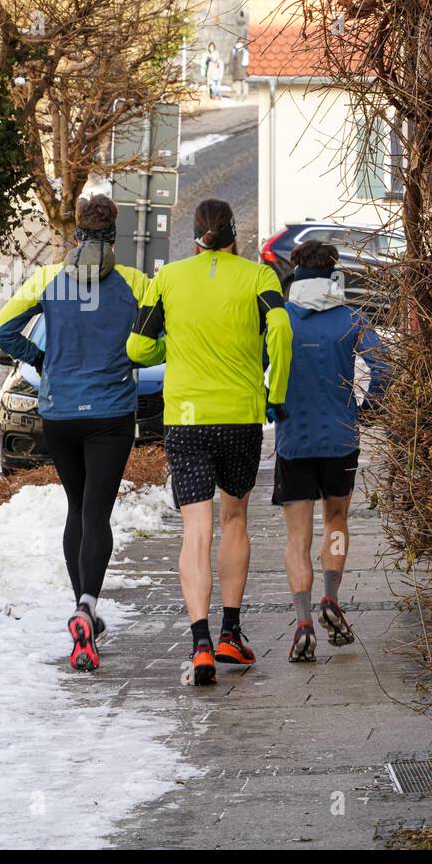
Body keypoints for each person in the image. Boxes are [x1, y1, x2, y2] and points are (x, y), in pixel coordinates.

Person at [127, 199, 291, 686]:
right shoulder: (259, 278)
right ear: (234, 234)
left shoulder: (168, 279)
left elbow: (137, 346)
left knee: (195, 530)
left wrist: (170, 345)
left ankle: (198, 644)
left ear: (194, 236)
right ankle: (230, 635)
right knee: (235, 518)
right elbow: (280, 327)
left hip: (186, 420)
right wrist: (275, 391)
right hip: (240, 417)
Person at [0, 195, 150, 672]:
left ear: (76, 231)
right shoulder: (136, 282)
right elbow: (157, 336)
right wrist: (135, 357)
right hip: (111, 413)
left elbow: (3, 332)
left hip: (59, 413)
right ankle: (87, 605)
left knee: (76, 507)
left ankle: (81, 611)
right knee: (98, 513)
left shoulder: (46, 278)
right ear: (115, 235)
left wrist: (42, 360)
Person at [273, 239, 388, 662]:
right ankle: (331, 597)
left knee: (297, 535)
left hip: (293, 436)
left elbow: (258, 362)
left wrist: (271, 400)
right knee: (336, 520)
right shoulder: (349, 319)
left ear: (297, 271)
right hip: (341, 437)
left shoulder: (282, 319)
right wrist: (369, 406)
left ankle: (303, 620)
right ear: (333, 273)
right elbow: (385, 363)